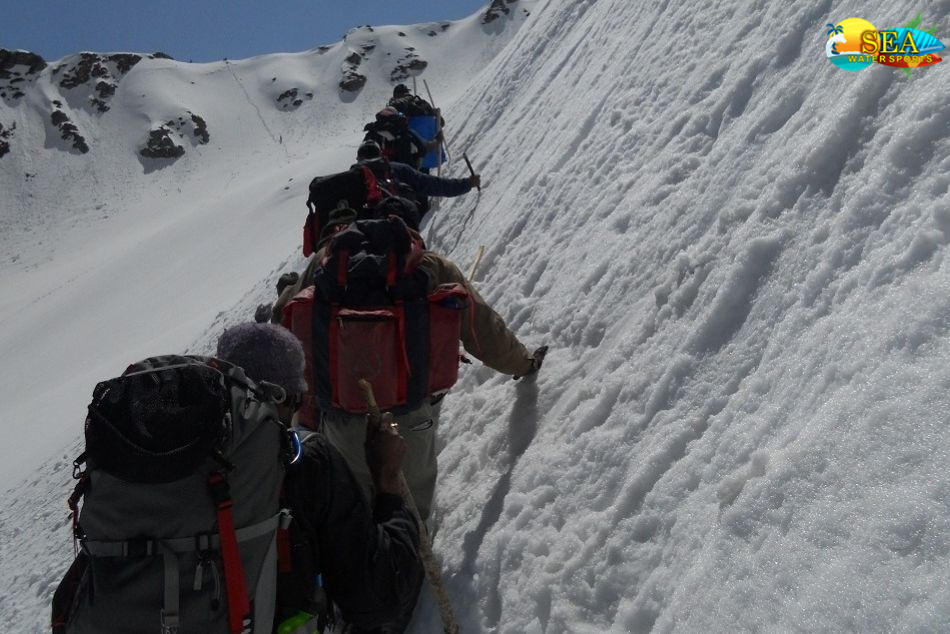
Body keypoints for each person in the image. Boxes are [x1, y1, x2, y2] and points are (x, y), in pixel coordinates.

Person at [266, 215, 547, 524]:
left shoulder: (325, 263)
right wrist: (525, 363)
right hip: (410, 417)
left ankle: (366, 564)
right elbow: (485, 333)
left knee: (354, 510)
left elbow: (284, 318)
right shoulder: (431, 267)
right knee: (408, 510)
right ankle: (413, 563)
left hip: (340, 415)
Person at [215, 322, 424, 632]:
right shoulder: (303, 459)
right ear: (285, 398)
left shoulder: (170, 458)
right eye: (298, 398)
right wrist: (387, 481)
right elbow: (383, 592)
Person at [355, 139, 478, 227]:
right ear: (380, 154)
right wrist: (466, 184)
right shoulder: (398, 169)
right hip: (401, 233)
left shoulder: (350, 178)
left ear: (359, 159)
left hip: (362, 240)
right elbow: (433, 184)